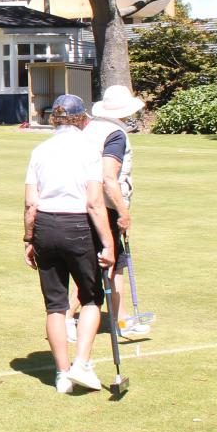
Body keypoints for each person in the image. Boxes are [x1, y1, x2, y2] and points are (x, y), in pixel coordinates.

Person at [23, 94, 115, 394]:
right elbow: (94, 202)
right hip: (77, 226)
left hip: (45, 227)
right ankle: (82, 365)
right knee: (90, 299)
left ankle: (62, 374)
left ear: (55, 119)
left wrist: (29, 238)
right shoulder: (89, 150)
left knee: (55, 306)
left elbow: (30, 203)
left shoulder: (39, 150)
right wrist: (108, 242)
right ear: (81, 119)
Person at [83, 85, 147, 337]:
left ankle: (120, 318)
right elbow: (109, 178)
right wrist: (123, 212)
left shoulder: (91, 128)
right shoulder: (116, 134)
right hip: (105, 206)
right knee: (110, 263)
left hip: (86, 202)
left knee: (103, 264)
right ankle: (117, 321)